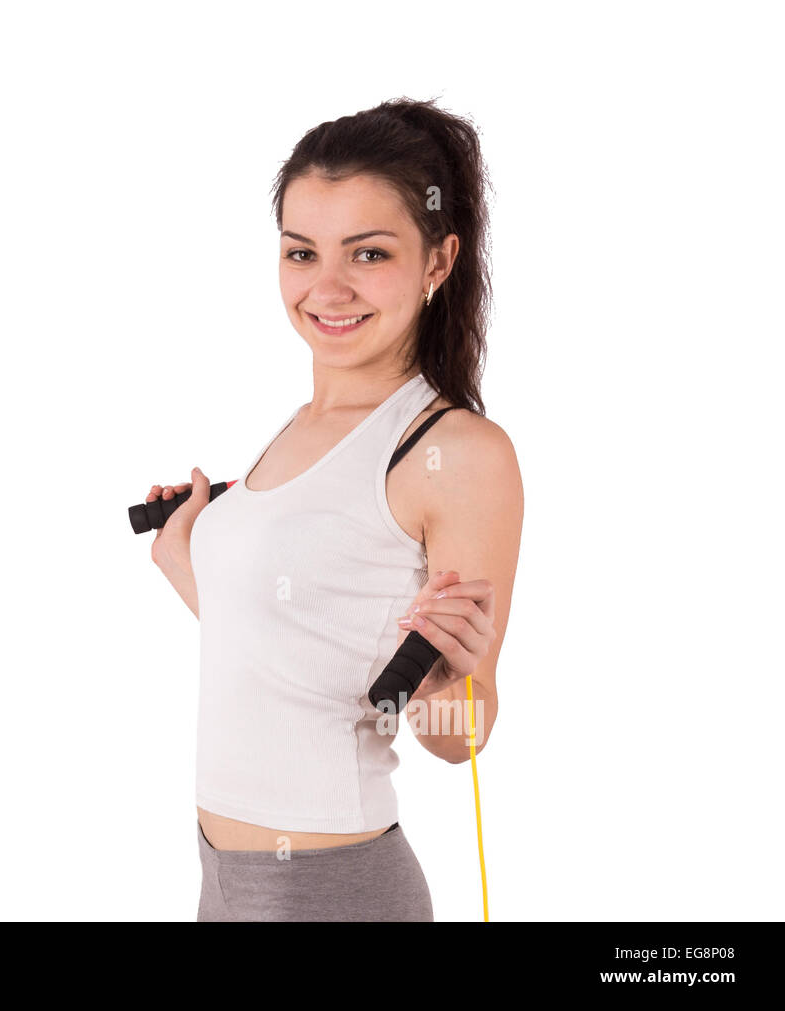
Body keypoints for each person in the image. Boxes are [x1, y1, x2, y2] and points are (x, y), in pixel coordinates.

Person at [144, 98, 523, 922]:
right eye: (301, 252)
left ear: (438, 259)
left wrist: (443, 680)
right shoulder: (294, 430)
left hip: (332, 889)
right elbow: (299, 652)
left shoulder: (453, 450)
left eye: (370, 252)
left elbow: (460, 731)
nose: (328, 287)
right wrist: (186, 558)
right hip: (218, 877)